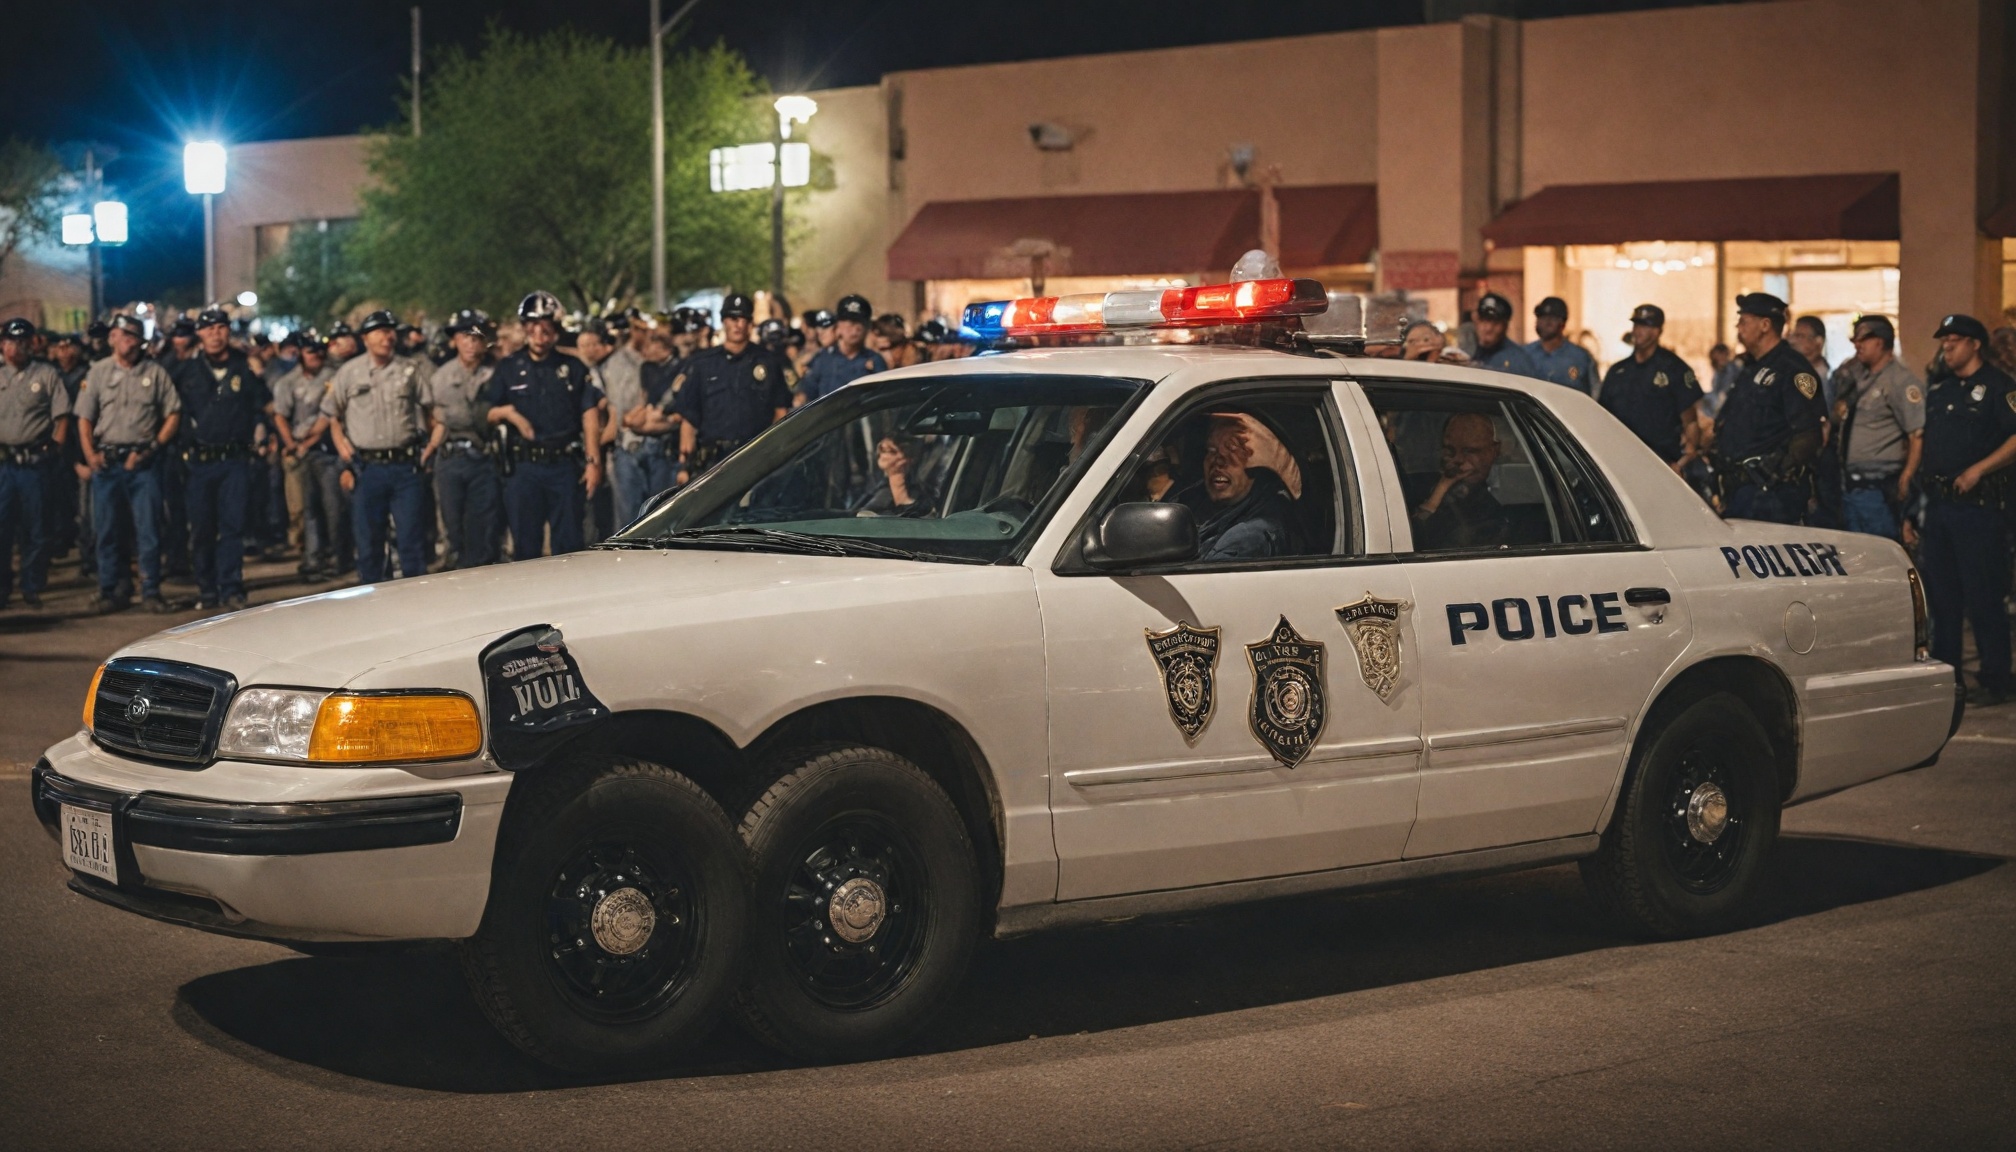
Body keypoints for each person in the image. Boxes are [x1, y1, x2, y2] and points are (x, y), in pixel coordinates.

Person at [1917, 314, 2016, 706]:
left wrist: (1979, 469)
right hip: (1940, 507)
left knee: (1984, 595)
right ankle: (1949, 675)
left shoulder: (1998, 387)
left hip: (1978, 509)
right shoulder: (1940, 390)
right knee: (1943, 598)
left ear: (1975, 343)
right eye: (1944, 341)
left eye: (1955, 340)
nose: (1947, 347)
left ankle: (1996, 678)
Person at [321, 310, 440, 583]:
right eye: (379, 331)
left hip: (406, 467)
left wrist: (430, 448)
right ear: (365, 338)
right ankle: (373, 604)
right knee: (369, 545)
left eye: (390, 331)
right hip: (367, 468)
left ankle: (418, 605)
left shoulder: (409, 369)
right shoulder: (349, 372)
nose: (387, 336)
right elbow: (332, 416)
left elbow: (431, 409)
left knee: (412, 542)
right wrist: (344, 453)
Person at [483, 291, 604, 560]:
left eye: (546, 328)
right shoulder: (508, 367)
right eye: (533, 327)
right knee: (526, 548)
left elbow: (589, 413)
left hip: (564, 466)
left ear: (556, 330)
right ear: (525, 328)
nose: (540, 335)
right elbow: (488, 412)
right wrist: (510, 414)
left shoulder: (572, 367)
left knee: (570, 546)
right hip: (524, 469)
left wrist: (594, 461)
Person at [75, 314, 181, 613]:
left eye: (133, 335)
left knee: (148, 530)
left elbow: (173, 413)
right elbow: (84, 418)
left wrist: (154, 446)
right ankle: (110, 589)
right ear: (111, 338)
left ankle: (151, 590)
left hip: (143, 462)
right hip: (106, 463)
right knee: (106, 530)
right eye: (122, 334)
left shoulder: (155, 373)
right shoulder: (97, 372)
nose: (127, 340)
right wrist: (90, 455)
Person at [171, 307, 271, 610]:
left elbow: (261, 404)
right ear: (199, 334)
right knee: (201, 529)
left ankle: (231, 587)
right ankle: (207, 589)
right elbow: (174, 415)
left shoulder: (244, 368)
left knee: (233, 527)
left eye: (221, 328)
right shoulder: (185, 372)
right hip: (198, 462)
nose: (215, 333)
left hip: (234, 460)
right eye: (209, 328)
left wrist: (262, 432)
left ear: (229, 331)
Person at [1710, 292, 1825, 523]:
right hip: (1739, 490)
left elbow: (1808, 434)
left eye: (1744, 321)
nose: (1738, 327)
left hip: (1772, 496)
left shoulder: (1793, 369)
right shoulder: (1749, 368)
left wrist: (1775, 473)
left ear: (1765, 325)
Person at [672, 292, 793, 485]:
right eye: (733, 318)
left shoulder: (768, 362)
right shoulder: (703, 364)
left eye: (743, 319)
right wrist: (684, 466)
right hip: (713, 463)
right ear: (723, 321)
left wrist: (775, 455)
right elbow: (689, 420)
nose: (738, 324)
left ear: (750, 323)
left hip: (755, 458)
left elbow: (780, 412)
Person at [0, 317, 70, 610]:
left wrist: (55, 446)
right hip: (4, 465)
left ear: (32, 344)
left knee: (36, 529)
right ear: (2, 344)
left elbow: (62, 416)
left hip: (34, 465)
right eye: (11, 341)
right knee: (3, 529)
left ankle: (31, 585)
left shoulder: (46, 374)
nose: (16, 347)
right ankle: (3, 589)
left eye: (22, 341)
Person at [1833, 316, 1923, 542]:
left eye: (1864, 339)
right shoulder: (1862, 379)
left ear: (1881, 342)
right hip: (1853, 486)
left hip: (1880, 487)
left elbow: (1917, 434)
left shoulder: (1900, 381)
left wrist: (1908, 475)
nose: (1857, 345)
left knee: (1881, 552)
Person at [1596, 304, 1706, 473]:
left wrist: (1681, 464)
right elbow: (1602, 419)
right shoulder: (1618, 371)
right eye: (1636, 325)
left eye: (1644, 325)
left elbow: (1690, 423)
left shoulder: (1674, 368)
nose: (1637, 330)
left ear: (1657, 331)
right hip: (1620, 464)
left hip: (1661, 465)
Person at [430, 309, 501, 568]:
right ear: (455, 341)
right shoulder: (440, 377)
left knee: (482, 528)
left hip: (485, 458)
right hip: (450, 458)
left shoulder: (497, 373)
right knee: (452, 523)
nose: (471, 343)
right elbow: (435, 419)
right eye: (465, 337)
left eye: (477, 337)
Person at [271, 332, 344, 579]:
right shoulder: (288, 382)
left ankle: (335, 556)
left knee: (333, 508)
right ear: (300, 353)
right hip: (300, 452)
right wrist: (291, 443)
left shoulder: (334, 377)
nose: (316, 355)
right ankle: (312, 557)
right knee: (305, 509)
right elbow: (280, 414)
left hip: (328, 451)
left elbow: (331, 415)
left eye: (319, 350)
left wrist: (309, 441)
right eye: (310, 351)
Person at [1180, 416, 1296, 560]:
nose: (1218, 460)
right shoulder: (1197, 502)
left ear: (1259, 464)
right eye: (1211, 450)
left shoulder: (1249, 539)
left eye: (1233, 449)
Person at [1410, 412, 1512, 550]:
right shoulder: (1417, 486)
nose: (1458, 459)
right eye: (1449, 450)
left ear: (1494, 451)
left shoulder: (1500, 504)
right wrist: (1441, 489)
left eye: (1470, 451)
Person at [798, 294, 887, 408]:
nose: (855, 329)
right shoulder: (823, 360)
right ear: (838, 325)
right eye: (849, 322)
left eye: (860, 323)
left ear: (867, 326)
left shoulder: (875, 361)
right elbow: (807, 397)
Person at [1525, 296, 1597, 394]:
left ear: (1562, 323)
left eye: (1552, 318)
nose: (1546, 323)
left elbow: (1595, 395)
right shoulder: (1524, 355)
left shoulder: (1581, 358)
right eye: (1541, 317)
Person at [854, 434, 936, 516]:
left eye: (890, 451)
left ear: (906, 458)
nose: (882, 455)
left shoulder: (919, 496)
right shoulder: (879, 487)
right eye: (881, 449)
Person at [1469, 293, 1541, 378]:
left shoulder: (1517, 359)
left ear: (1505, 326)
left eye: (1496, 323)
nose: (1488, 328)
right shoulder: (1473, 351)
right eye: (1484, 321)